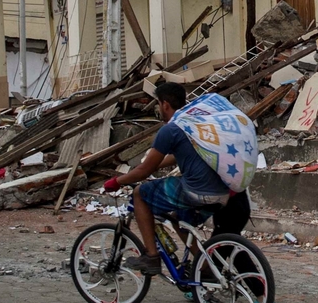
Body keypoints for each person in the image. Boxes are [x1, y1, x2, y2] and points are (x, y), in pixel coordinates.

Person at [100, 82, 251, 275]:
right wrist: (154, 164)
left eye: (157, 104)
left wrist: (117, 181)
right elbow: (178, 155)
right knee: (179, 219)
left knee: (140, 194)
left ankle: (151, 257)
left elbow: (144, 172)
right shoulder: (194, 122)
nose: (158, 109)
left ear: (164, 104)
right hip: (222, 192)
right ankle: (204, 266)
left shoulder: (170, 129)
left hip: (196, 192)